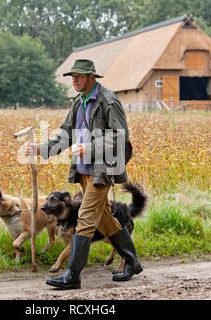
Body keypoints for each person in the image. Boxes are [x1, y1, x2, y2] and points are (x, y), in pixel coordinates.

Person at [26, 59, 142, 290]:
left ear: (91, 77)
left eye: (79, 76)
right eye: (73, 76)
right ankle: (132, 261)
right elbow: (66, 134)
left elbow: (119, 137)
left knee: (86, 218)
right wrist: (42, 149)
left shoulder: (109, 100)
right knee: (103, 219)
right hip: (83, 172)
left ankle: (73, 274)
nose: (75, 80)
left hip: (102, 171)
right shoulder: (79, 102)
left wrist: (90, 147)